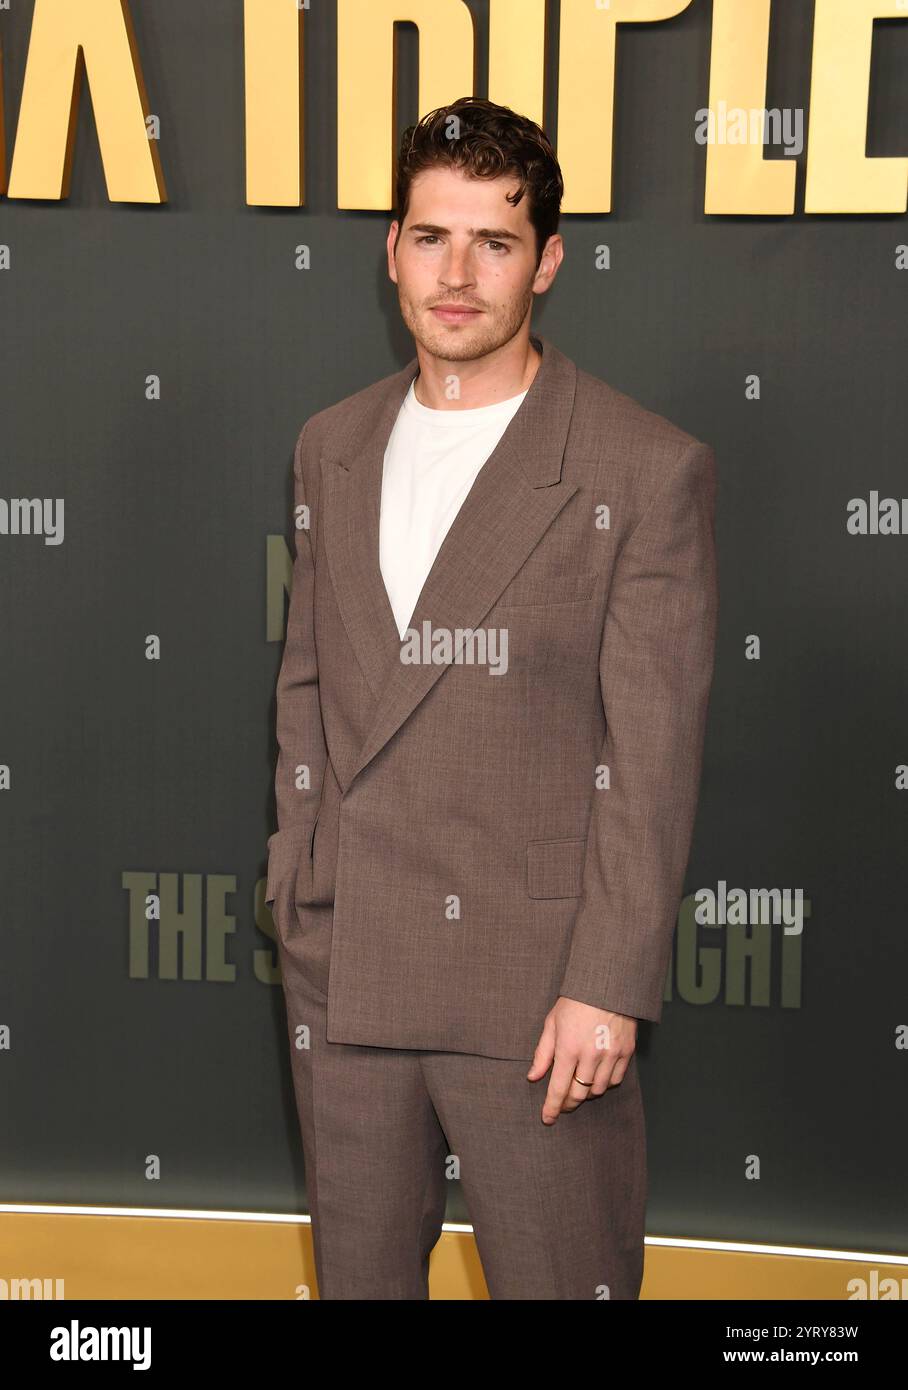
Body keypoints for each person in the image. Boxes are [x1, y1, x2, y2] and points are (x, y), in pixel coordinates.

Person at [265, 96, 718, 1300]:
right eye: (430, 237)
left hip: (538, 1002)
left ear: (548, 260)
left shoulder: (639, 467)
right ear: (391, 249)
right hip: (347, 968)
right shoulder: (330, 445)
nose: (455, 274)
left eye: (494, 242)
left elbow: (652, 752)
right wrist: (295, 884)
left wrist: (609, 983)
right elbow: (308, 686)